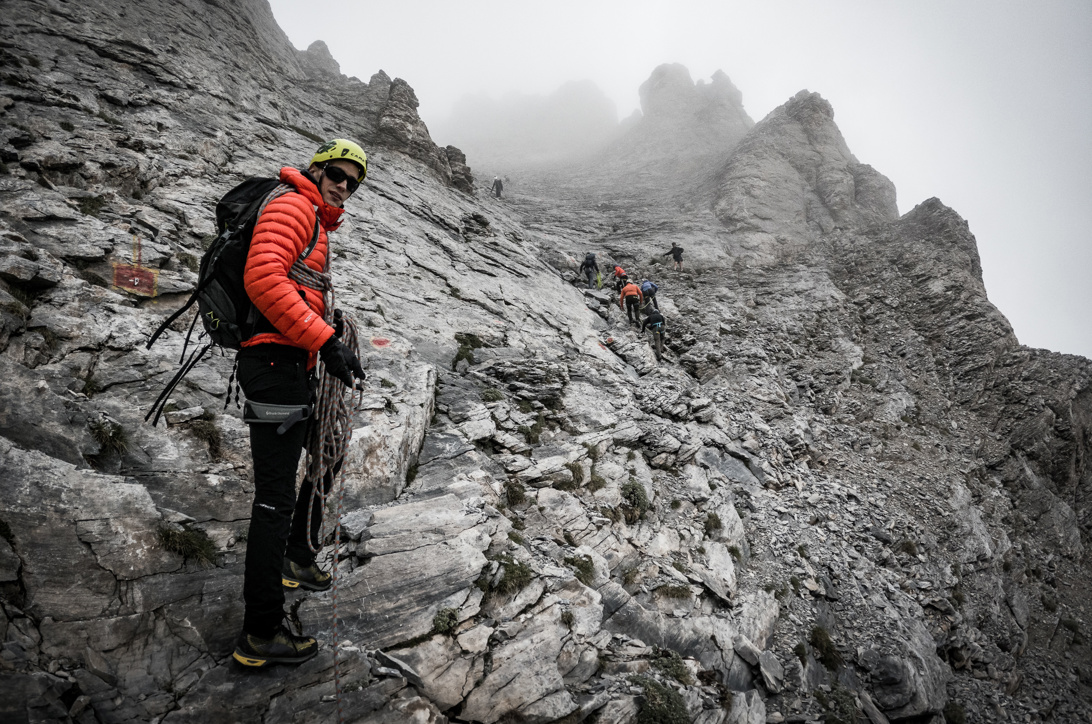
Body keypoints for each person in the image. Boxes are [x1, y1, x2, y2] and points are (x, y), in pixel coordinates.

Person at [232, 139, 368, 668]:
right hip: (274, 368)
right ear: (317, 168)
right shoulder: (293, 204)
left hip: (292, 366)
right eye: (338, 173)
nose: (344, 185)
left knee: (326, 453)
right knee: (273, 500)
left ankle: (298, 553)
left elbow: (293, 286)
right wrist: (325, 341)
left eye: (353, 182)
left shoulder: (312, 215)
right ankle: (260, 631)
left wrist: (326, 342)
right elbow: (263, 280)